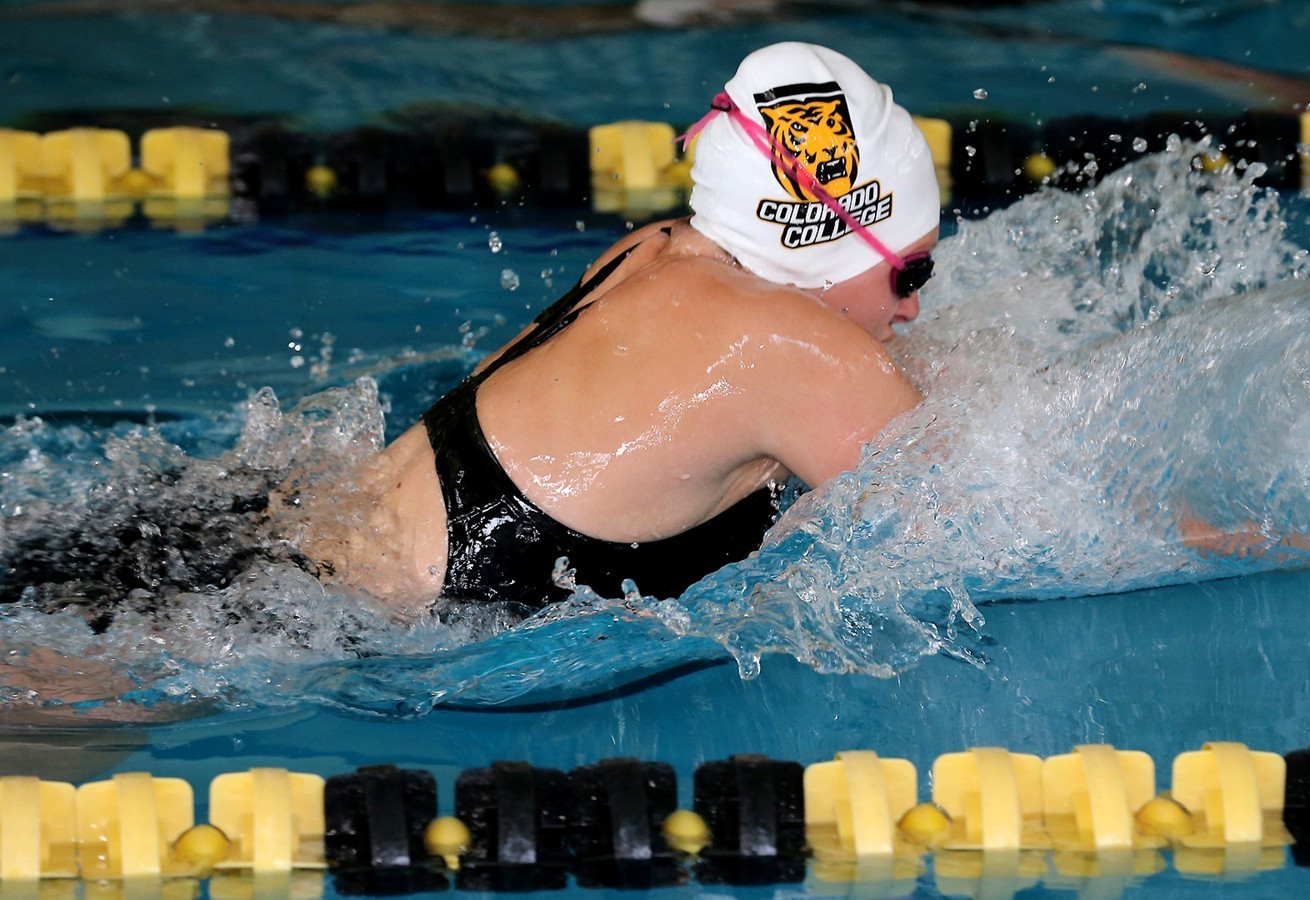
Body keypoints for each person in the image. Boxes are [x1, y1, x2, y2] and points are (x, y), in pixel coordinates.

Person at [299, 42, 942, 616]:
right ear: (833, 240)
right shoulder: (791, 346)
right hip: (334, 639)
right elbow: (960, 535)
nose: (911, 307)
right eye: (911, 272)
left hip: (294, 545)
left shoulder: (653, 250)